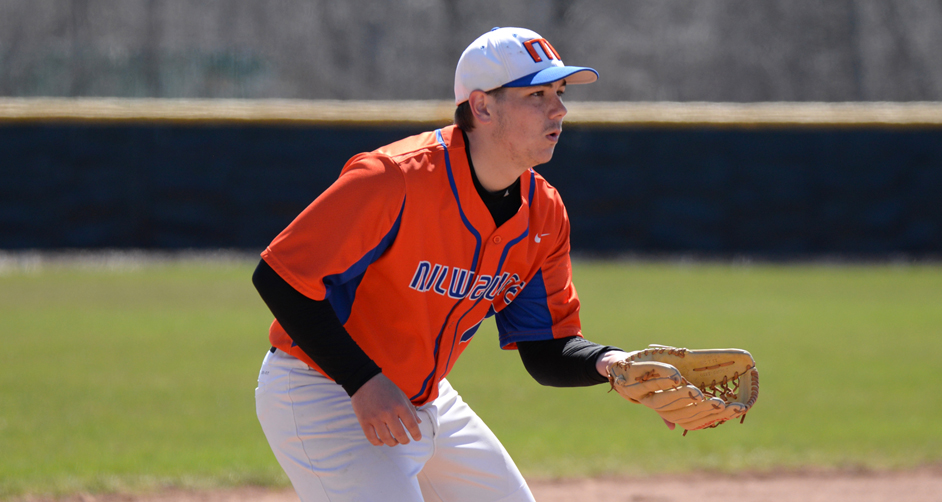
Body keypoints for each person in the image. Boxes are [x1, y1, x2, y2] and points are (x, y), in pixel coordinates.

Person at [252, 26, 640, 502]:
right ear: (482, 107)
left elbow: (547, 349)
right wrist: (363, 381)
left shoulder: (544, 213)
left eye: (559, 93)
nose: (558, 109)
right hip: (322, 387)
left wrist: (615, 364)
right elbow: (279, 275)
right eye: (537, 94)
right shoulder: (394, 179)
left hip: (423, 396)